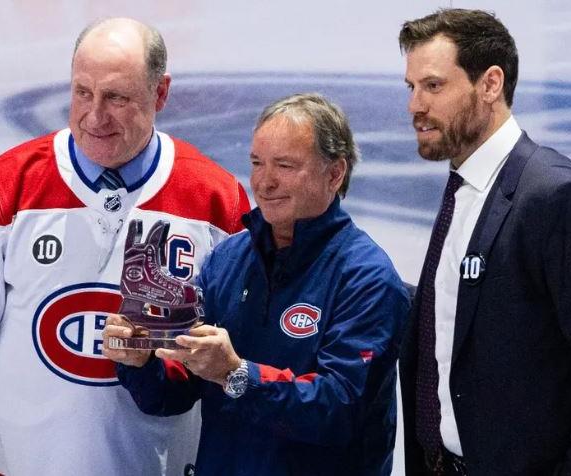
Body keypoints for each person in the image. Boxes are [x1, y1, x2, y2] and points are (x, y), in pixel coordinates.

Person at [0, 18, 249, 475]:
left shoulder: (214, 200)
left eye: (116, 97)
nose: (94, 116)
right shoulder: (9, 186)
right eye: (82, 92)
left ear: (161, 93)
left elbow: (228, 362)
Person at [396, 8, 571, 475]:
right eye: (411, 88)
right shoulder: (464, 187)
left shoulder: (560, 195)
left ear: (490, 84)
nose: (415, 105)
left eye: (433, 86)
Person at [104, 93, 410, 476]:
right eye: (256, 163)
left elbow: (339, 410)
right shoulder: (228, 259)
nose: (265, 182)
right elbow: (174, 394)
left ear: (334, 173)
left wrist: (236, 374)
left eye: (285, 165)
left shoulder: (368, 278)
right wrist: (141, 361)